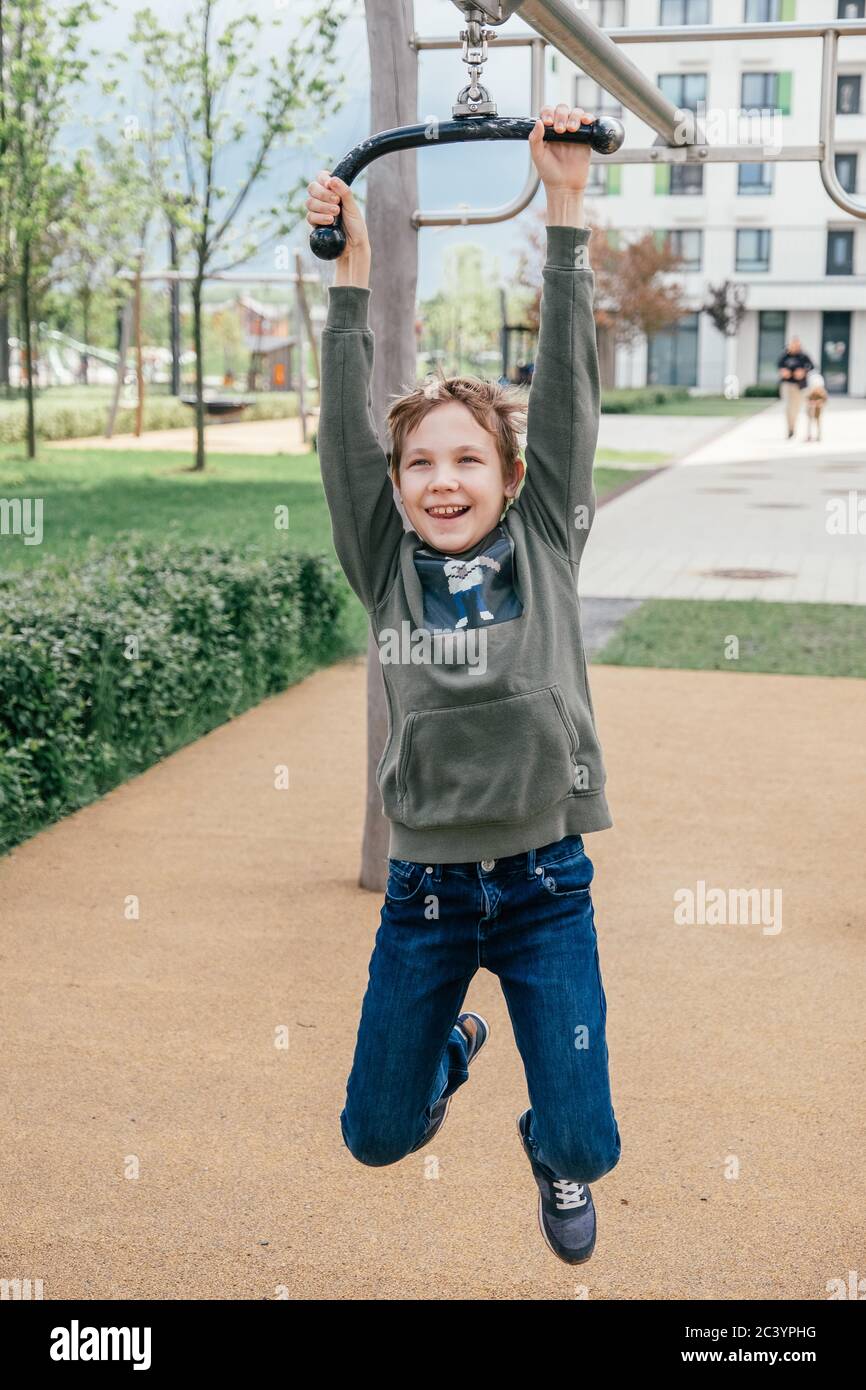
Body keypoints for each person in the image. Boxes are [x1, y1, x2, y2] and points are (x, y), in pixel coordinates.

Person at [308, 103, 621, 1267]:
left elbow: (570, 396)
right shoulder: (384, 562)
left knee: (592, 1142)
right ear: (394, 486)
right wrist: (349, 291)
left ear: (510, 474)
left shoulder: (545, 534)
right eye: (420, 464)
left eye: (467, 459)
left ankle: (549, 1149)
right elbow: (342, 437)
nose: (443, 481)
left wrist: (566, 211)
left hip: (545, 883)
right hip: (428, 891)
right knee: (375, 1135)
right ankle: (449, 1048)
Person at [777, 335, 815, 440]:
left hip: (799, 385)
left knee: (796, 408)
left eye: (796, 345)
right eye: (792, 345)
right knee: (789, 408)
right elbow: (779, 367)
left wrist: (803, 372)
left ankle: (796, 429)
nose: (794, 347)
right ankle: (790, 429)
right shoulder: (784, 356)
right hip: (787, 384)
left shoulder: (803, 356)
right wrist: (783, 372)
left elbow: (812, 366)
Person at [803, 370, 829, 442]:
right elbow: (806, 399)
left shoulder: (822, 392)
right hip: (810, 410)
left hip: (818, 410)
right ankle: (809, 435)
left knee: (818, 422)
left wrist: (818, 402)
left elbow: (824, 400)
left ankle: (818, 435)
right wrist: (810, 402)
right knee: (809, 422)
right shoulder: (809, 392)